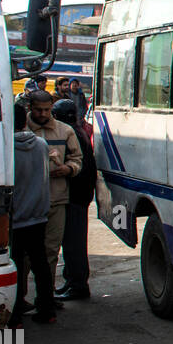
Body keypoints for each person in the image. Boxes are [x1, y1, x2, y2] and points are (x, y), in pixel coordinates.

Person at [25, 90, 82, 289]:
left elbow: (77, 159)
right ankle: (19, 299)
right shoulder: (20, 129)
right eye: (38, 110)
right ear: (29, 108)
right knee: (23, 255)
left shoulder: (65, 131)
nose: (42, 114)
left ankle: (46, 297)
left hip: (56, 200)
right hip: (26, 203)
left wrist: (69, 169)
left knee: (50, 251)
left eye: (46, 110)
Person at [10, 102, 55, 325]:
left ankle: (15, 314)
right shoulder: (41, 144)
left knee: (16, 266)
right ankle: (47, 310)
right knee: (40, 264)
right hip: (39, 214)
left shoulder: (5, 147)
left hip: (15, 217)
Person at [51, 98, 96, 300]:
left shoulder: (70, 134)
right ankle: (71, 281)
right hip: (79, 196)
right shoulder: (77, 131)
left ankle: (77, 285)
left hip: (75, 197)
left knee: (74, 244)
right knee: (71, 243)